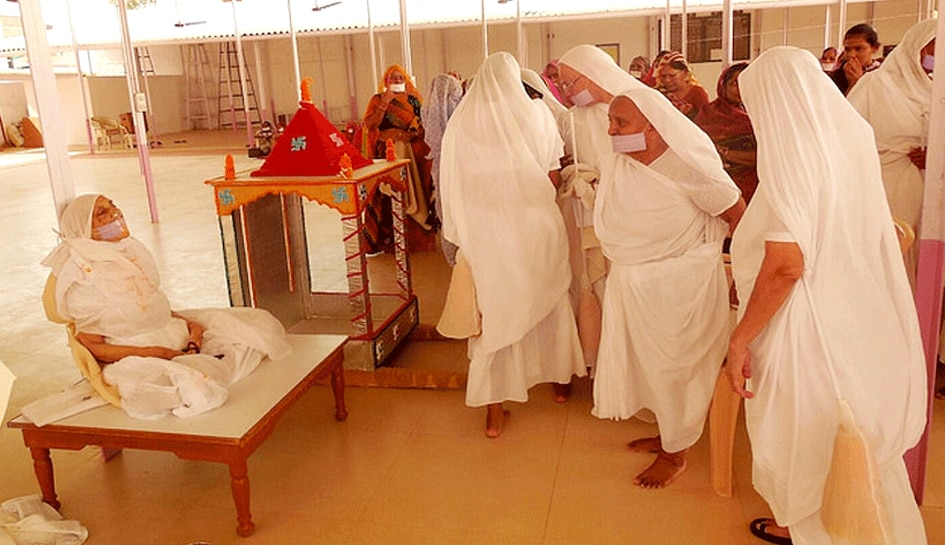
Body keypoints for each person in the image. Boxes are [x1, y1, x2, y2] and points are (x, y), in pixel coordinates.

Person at [728, 46, 928, 545]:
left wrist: (740, 340)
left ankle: (806, 526)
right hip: (852, 312)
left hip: (805, 321)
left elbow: (785, 265)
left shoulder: (793, 156)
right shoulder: (845, 139)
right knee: (848, 437)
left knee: (803, 431)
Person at [596, 85, 746, 489]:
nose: (610, 130)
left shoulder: (688, 166)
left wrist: (742, 276)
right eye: (611, 120)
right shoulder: (623, 163)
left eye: (620, 122)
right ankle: (668, 434)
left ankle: (676, 453)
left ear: (655, 127)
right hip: (637, 287)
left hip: (683, 288)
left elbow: (738, 214)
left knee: (677, 368)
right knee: (650, 366)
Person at [438, 52, 586, 438]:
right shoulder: (537, 115)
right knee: (551, 298)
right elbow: (553, 177)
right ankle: (560, 385)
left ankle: (494, 412)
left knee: (497, 312)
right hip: (536, 226)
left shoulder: (463, 123)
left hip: (487, 233)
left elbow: (451, 182)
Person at [42, 194, 291, 419]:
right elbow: (93, 346)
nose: (115, 213)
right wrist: (159, 353)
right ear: (84, 230)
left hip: (172, 332)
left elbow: (147, 304)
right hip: (138, 351)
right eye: (101, 213)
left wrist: (193, 330)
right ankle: (192, 366)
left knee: (258, 323)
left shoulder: (129, 252)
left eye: (113, 205)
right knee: (182, 387)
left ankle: (195, 361)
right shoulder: (82, 278)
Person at [556, 44, 641, 374]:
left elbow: (642, 162)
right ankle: (599, 361)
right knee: (593, 281)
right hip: (587, 211)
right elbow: (567, 156)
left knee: (623, 287)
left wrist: (606, 184)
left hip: (628, 214)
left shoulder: (633, 107)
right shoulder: (573, 117)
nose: (566, 91)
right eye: (561, 85)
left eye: (571, 83)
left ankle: (627, 367)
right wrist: (577, 176)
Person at [848, 17, 936, 287]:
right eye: (931, 49)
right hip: (885, 186)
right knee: (887, 263)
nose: (935, 57)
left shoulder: (938, 91)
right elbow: (847, 134)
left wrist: (935, 155)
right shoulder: (876, 85)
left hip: (931, 193)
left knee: (925, 266)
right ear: (914, 47)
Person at [360, 64, 435, 254]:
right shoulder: (377, 100)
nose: (397, 81)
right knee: (389, 196)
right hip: (388, 154)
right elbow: (370, 126)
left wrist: (411, 133)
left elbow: (423, 122)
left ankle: (418, 243)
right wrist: (385, 103)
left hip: (413, 155)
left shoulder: (414, 99)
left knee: (417, 192)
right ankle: (390, 244)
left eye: (400, 78)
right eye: (393, 78)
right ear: (386, 81)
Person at [694, 62, 759, 203]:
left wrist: (725, 153)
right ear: (723, 86)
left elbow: (766, 156)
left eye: (746, 83)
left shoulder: (762, 113)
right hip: (719, 183)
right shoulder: (708, 113)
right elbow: (697, 147)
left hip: (755, 185)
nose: (740, 89)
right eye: (735, 83)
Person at [421, 73, 464, 266]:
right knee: (449, 211)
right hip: (448, 167)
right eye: (455, 97)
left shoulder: (432, 111)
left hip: (449, 166)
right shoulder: (453, 119)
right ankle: (456, 259)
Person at [829, 23, 882, 95]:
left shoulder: (881, 75)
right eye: (847, 49)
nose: (851, 55)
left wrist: (860, 83)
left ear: (875, 48)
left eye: (859, 49)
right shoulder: (836, 77)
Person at [656, 52, 710, 118]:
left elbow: (706, 119)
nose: (667, 80)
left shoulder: (698, 92)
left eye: (672, 76)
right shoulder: (658, 93)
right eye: (663, 76)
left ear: (685, 73)